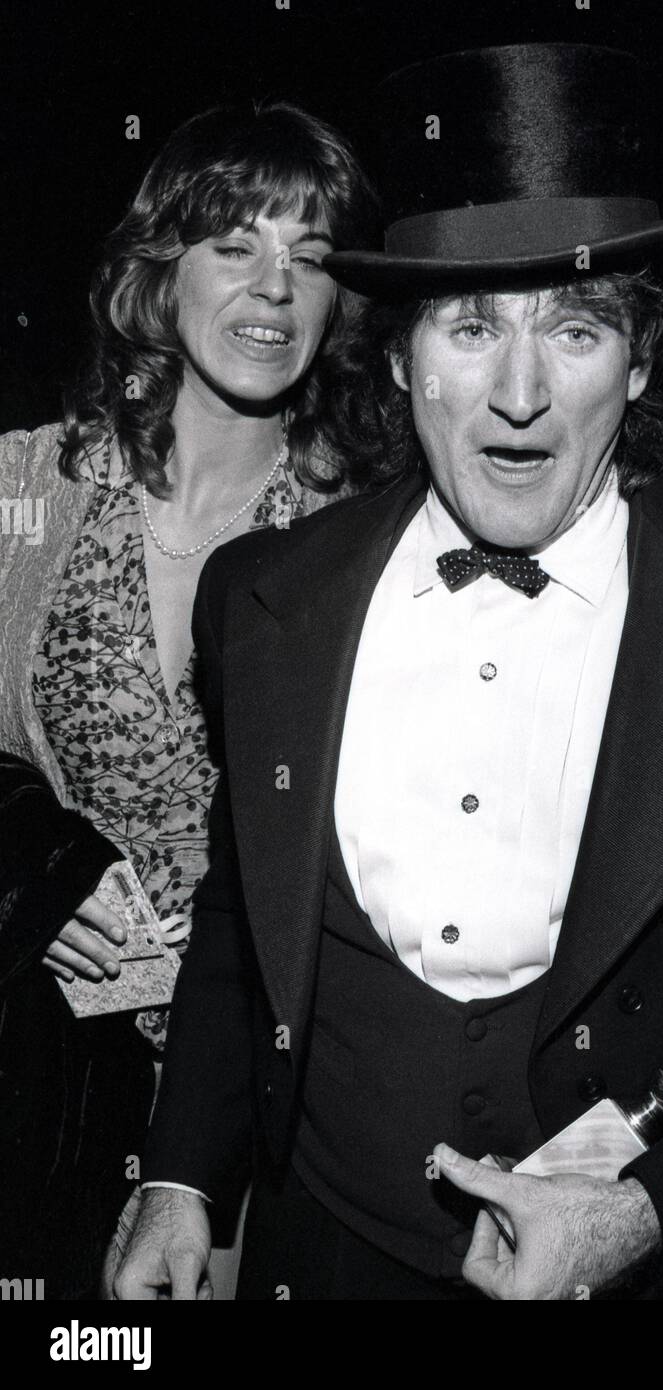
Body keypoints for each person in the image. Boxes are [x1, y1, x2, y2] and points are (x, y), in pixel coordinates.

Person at [115, 44, 663, 1302]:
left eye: (571, 330)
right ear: (403, 358)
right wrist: (181, 1176)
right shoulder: (263, 596)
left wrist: (646, 1216)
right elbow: (242, 922)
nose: (518, 394)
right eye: (471, 328)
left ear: (636, 365)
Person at [0, 99, 379, 1298]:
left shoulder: (368, 533)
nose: (274, 288)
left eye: (309, 258)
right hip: (46, 1074)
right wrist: (26, 868)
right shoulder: (23, 488)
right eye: (234, 244)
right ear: (159, 271)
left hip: (275, 1097)